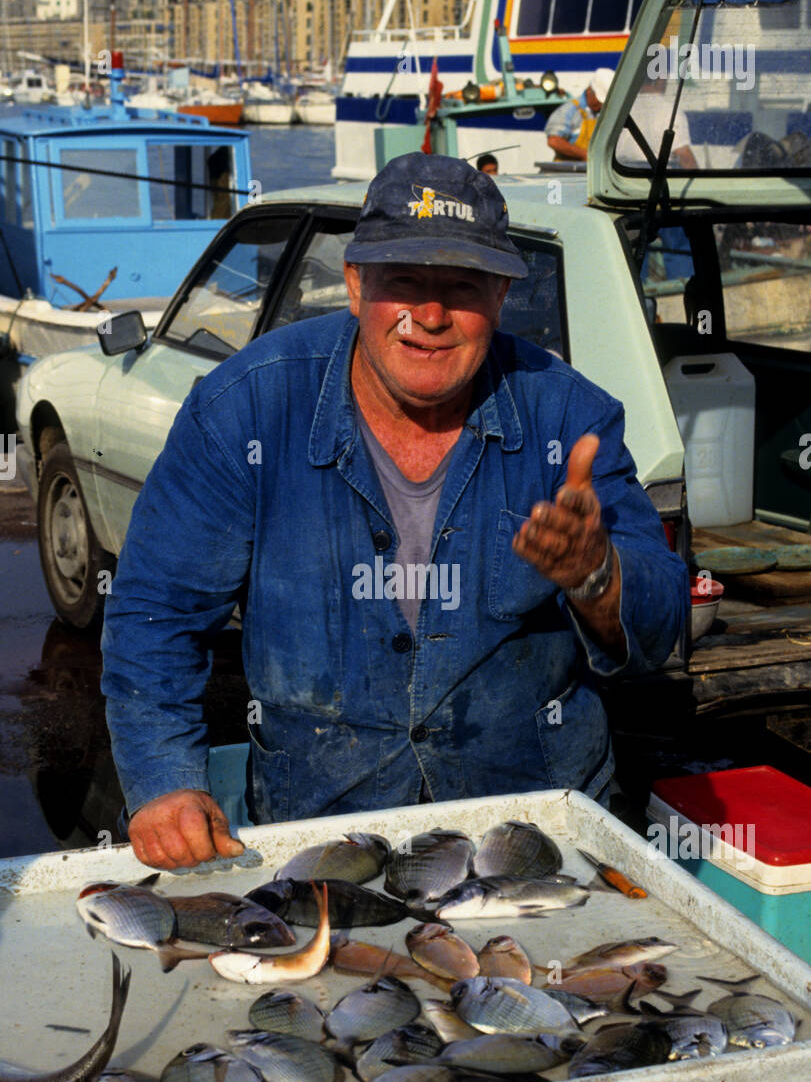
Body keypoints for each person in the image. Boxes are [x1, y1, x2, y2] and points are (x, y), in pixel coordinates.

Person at [101, 152, 689, 870]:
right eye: (404, 280)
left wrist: (595, 572)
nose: (431, 314)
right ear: (354, 284)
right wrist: (165, 784)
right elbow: (155, 615)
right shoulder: (246, 408)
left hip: (532, 833)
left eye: (462, 286)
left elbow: (658, 630)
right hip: (319, 834)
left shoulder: (570, 416)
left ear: (501, 296)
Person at [545, 68, 614, 163]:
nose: (602, 106)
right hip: (567, 172)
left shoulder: (605, 112)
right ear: (590, 91)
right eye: (600, 101)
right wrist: (584, 155)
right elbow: (554, 141)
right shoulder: (569, 110)